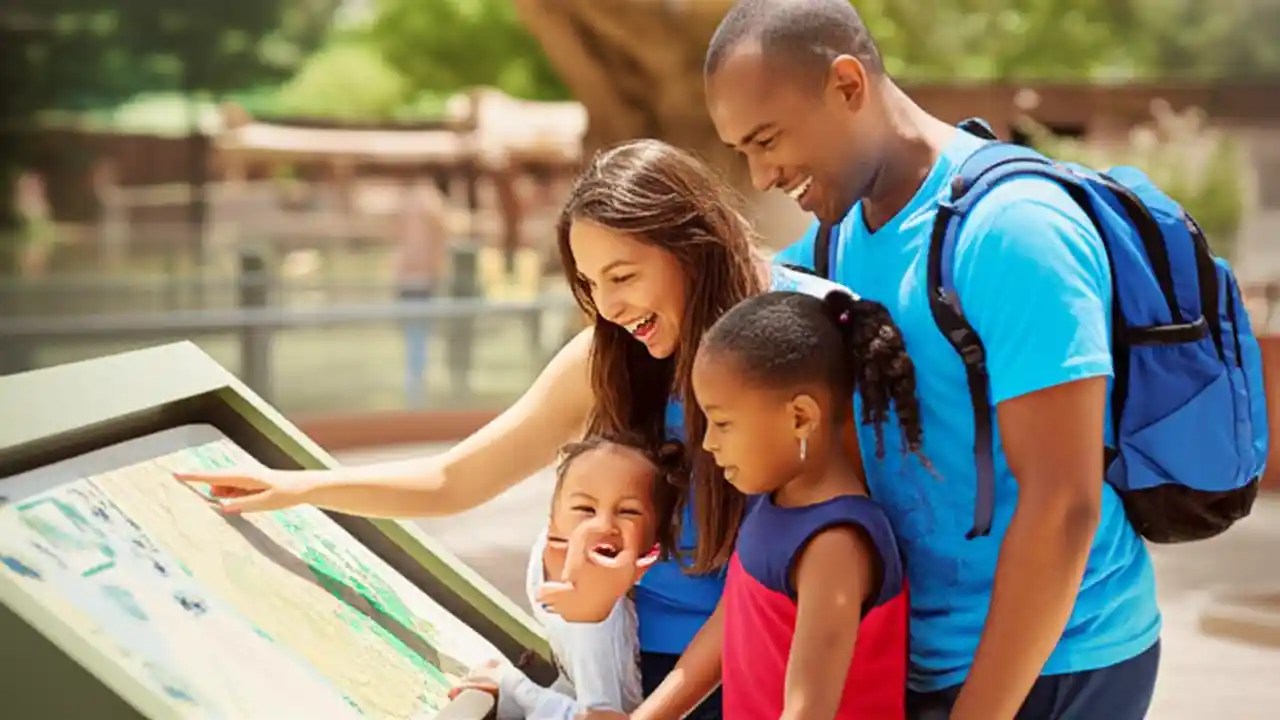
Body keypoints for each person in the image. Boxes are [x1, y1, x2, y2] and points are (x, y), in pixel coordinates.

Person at [173, 138, 849, 720]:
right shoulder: (610, 356)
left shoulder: (788, 342)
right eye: (590, 284)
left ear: (690, 248)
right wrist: (293, 488)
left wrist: (650, 714)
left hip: (741, 679)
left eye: (624, 275)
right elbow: (454, 478)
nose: (610, 307)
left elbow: (776, 576)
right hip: (621, 670)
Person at [696, 1, 1162, 719]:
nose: (759, 175)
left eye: (767, 139)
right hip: (919, 661)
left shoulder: (1014, 232)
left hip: (1060, 663)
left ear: (847, 84)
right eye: (742, 153)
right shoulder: (831, 247)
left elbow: (1063, 504)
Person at [449, 434, 679, 719]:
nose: (602, 525)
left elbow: (601, 714)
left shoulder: (603, 610)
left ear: (656, 537)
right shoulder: (544, 561)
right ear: (552, 516)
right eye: (585, 509)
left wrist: (511, 684)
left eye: (628, 512)